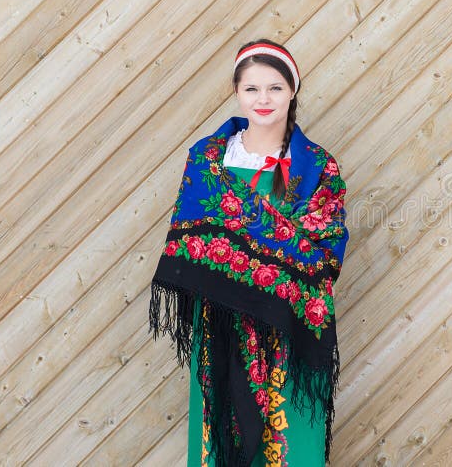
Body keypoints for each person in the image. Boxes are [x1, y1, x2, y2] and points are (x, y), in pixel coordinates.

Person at [149, 39, 349, 466]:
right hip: (219, 321)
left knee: (290, 440)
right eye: (252, 88)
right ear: (236, 92)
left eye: (275, 88)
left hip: (289, 324)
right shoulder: (207, 159)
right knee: (219, 436)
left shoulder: (318, 166)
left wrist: (258, 257)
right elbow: (191, 240)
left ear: (293, 91)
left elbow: (325, 249)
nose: (263, 99)